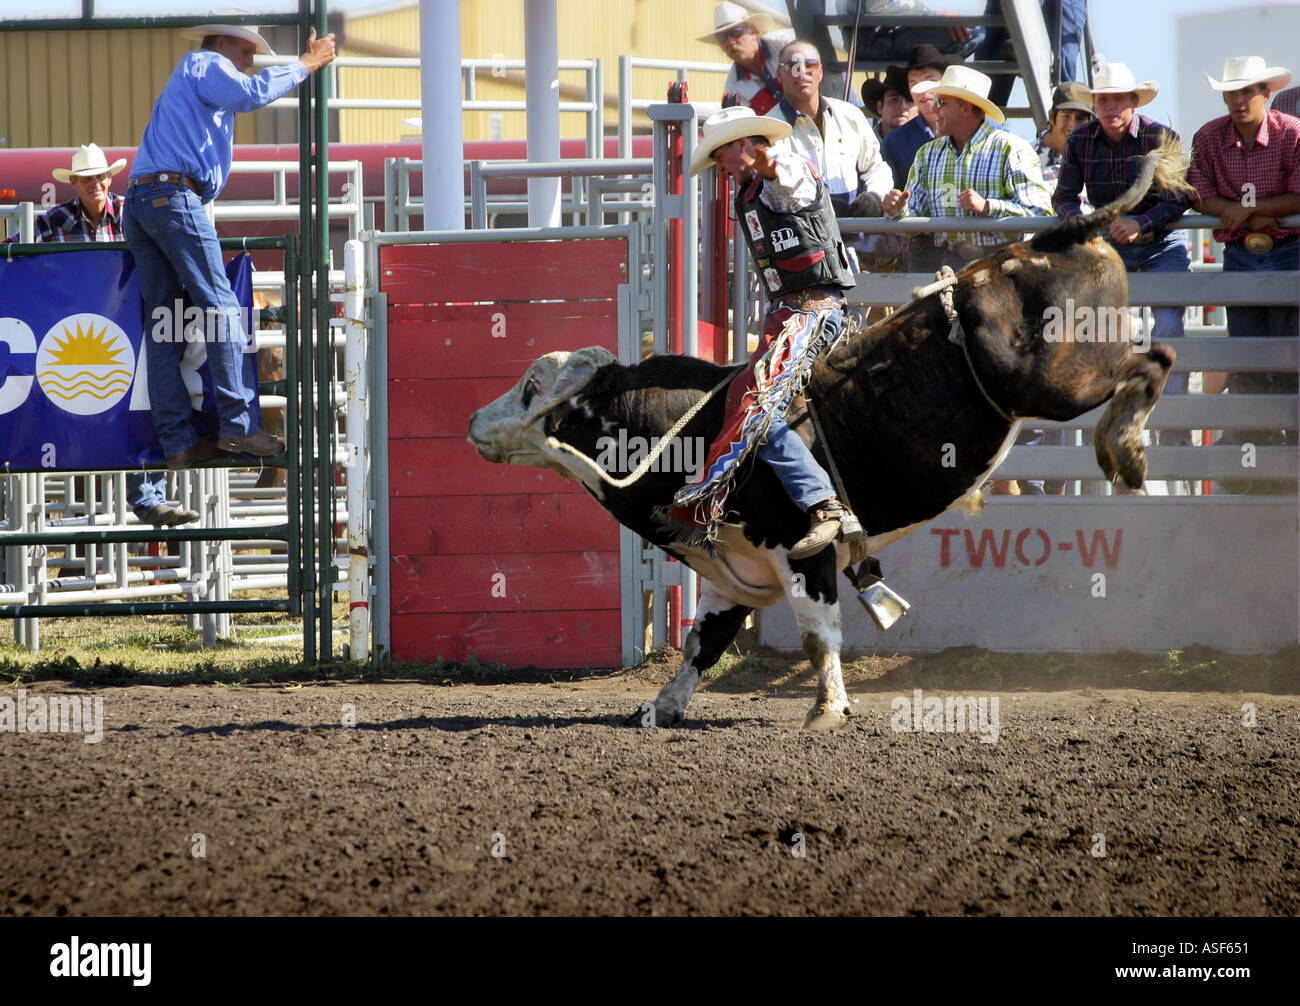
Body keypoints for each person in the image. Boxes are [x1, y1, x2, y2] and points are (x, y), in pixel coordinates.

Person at [124, 22, 336, 471]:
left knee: (165, 322)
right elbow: (251, 93)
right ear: (220, 43)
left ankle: (178, 440)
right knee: (221, 306)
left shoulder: (193, 77)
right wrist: (305, 63)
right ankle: (238, 428)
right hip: (173, 197)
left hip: (146, 200)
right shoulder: (207, 63)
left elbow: (243, 93)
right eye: (245, 49)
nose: (249, 60)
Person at [675, 107, 862, 558]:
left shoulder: (784, 171)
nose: (721, 168)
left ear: (744, 146)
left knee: (754, 398)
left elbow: (791, 182)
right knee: (747, 395)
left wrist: (768, 163)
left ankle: (824, 505)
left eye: (723, 157)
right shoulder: (752, 190)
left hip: (812, 312)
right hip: (788, 317)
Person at [30, 144, 198, 527]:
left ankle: (147, 497)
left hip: (128, 328)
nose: (95, 184)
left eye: (100, 177)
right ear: (74, 183)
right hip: (81, 336)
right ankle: (131, 503)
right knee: (121, 404)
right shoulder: (52, 222)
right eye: (87, 179)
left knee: (146, 401)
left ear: (111, 178)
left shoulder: (130, 212)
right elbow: (17, 259)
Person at [1053, 62, 1193, 480]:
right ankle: (1118, 419)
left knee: (1167, 327)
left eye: (1117, 99)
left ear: (1134, 102)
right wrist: (1086, 226)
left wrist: (1140, 223)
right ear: (1094, 103)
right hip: (1112, 245)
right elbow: (1063, 198)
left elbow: (1181, 196)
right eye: (1102, 99)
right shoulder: (1080, 140)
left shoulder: (1159, 137)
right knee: (1109, 332)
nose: (1110, 106)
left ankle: (1169, 424)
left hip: (1159, 244)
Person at [1188, 57, 1300, 493]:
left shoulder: (1292, 133)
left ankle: (1274, 458)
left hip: (1285, 253)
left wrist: (1247, 210)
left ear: (1265, 94)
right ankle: (1263, 456)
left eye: (1246, 92)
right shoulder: (1210, 136)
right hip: (1247, 253)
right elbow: (1198, 194)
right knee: (1251, 355)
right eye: (1232, 92)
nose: (1238, 100)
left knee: (1283, 354)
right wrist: (1244, 214)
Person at [882, 64, 1052, 274]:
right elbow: (914, 217)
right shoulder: (927, 154)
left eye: (941, 102)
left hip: (998, 270)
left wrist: (989, 206)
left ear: (966, 108)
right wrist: (898, 210)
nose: (934, 108)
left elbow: (1041, 216)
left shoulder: (1012, 150)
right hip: (939, 264)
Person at [766, 40, 893, 270]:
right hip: (800, 254)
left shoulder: (850, 116)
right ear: (779, 73)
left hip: (854, 250)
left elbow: (876, 167)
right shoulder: (768, 128)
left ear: (821, 72)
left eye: (810, 65)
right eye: (793, 65)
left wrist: (875, 196)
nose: (802, 71)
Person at [703, 2, 794, 114]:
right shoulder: (733, 88)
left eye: (736, 33)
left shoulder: (787, 43)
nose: (730, 42)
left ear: (754, 31)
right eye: (722, 37)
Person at [881, 45, 951, 189]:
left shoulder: (979, 131)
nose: (922, 90)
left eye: (929, 80)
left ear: (946, 82)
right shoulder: (894, 142)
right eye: (914, 83)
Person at [861, 64, 917, 144]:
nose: (902, 106)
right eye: (894, 99)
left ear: (919, 110)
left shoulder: (930, 149)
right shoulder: (861, 145)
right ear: (880, 107)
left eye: (909, 100)